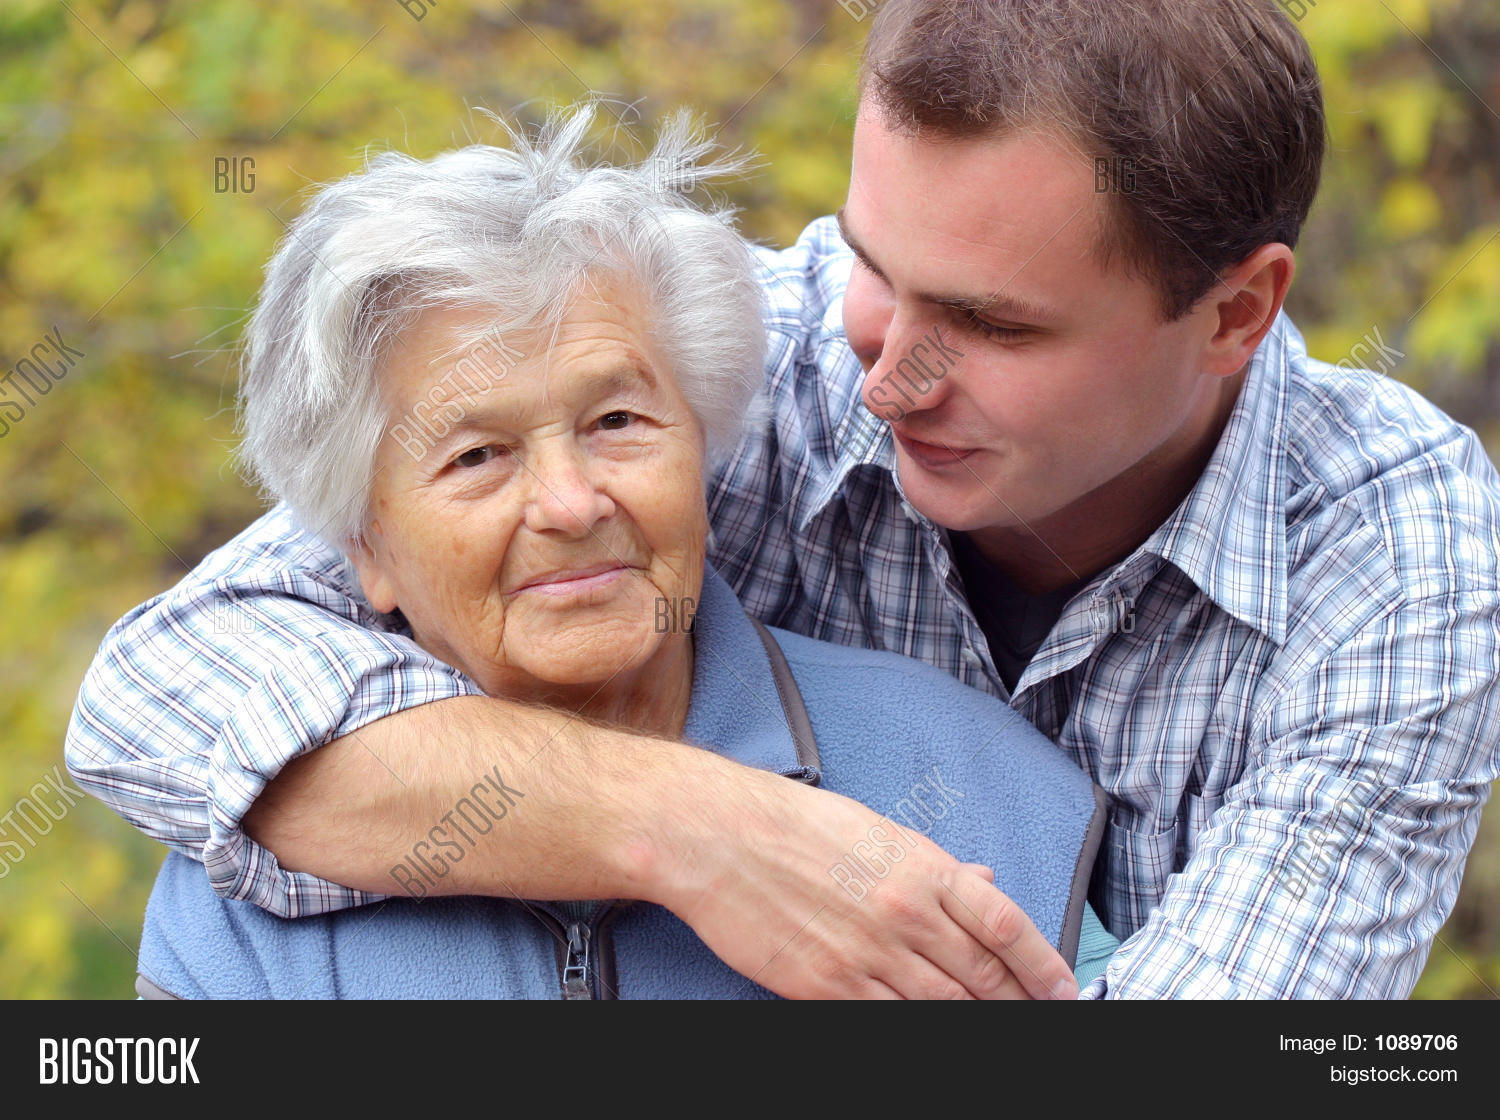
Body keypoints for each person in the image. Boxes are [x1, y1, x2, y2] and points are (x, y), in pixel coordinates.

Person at [69, 0, 1500, 999]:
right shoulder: (730, 360)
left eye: (994, 327)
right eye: (878, 264)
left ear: (1235, 311)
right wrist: (709, 832)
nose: (884, 376)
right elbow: (168, 688)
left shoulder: (1396, 556)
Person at [132, 113, 1115, 999]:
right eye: (477, 455)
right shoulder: (253, 890)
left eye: (616, 420)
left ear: (704, 446)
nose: (569, 502)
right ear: (366, 552)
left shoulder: (992, 795)